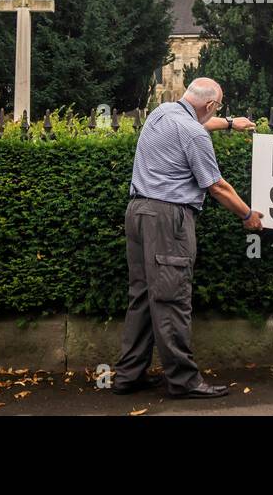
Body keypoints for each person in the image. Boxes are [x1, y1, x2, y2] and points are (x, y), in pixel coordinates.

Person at [111, 77, 262, 399]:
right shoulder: (194, 133)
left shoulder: (162, 113)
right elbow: (217, 186)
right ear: (209, 105)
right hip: (168, 220)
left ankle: (128, 376)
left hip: (138, 213)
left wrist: (231, 124)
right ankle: (183, 381)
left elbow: (198, 123)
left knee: (142, 296)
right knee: (171, 299)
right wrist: (248, 215)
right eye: (217, 108)